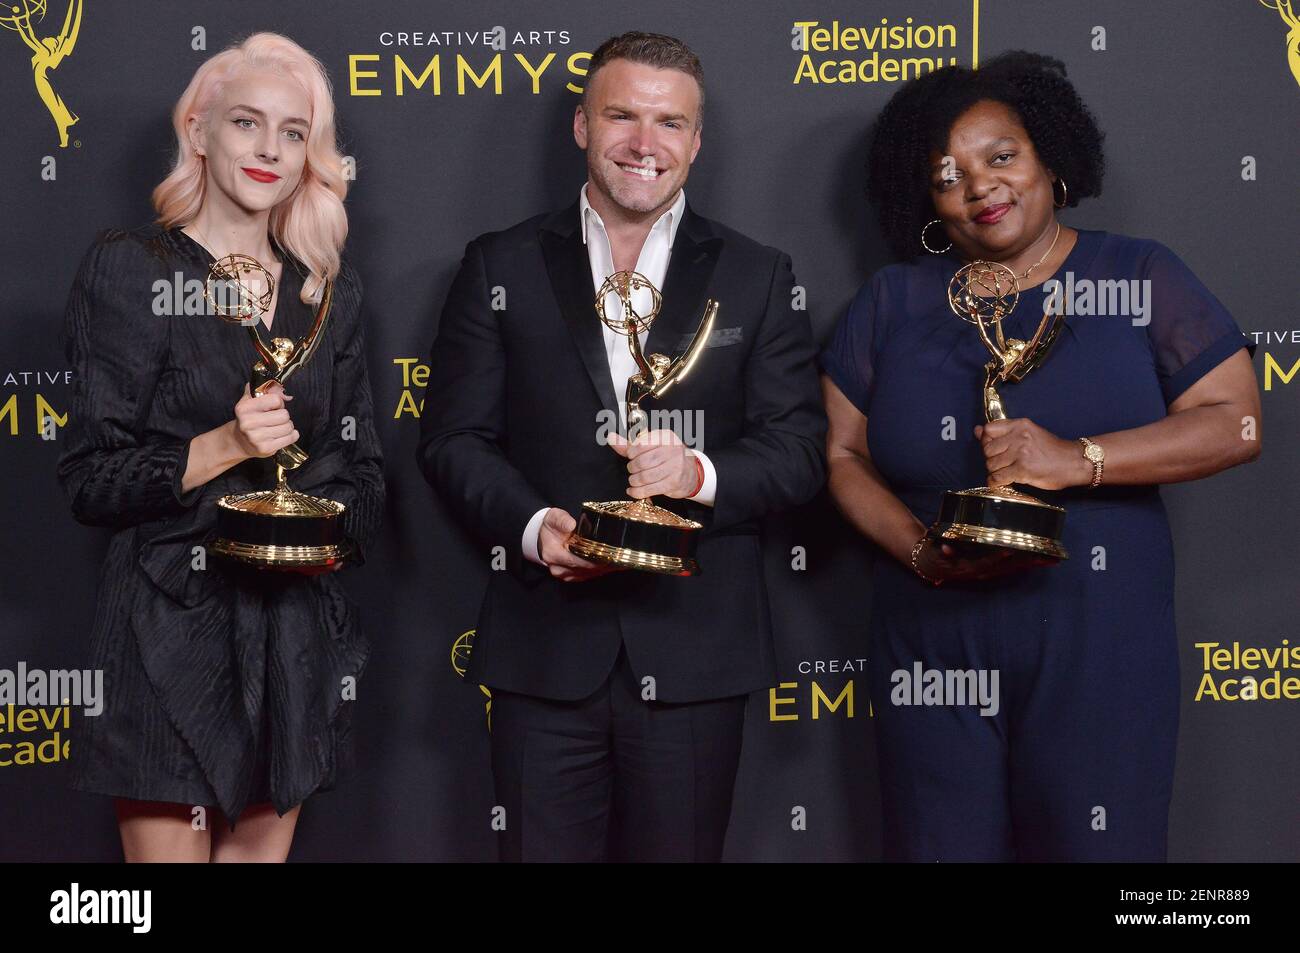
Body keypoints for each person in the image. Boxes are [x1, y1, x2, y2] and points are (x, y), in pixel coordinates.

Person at [820, 51, 1261, 862]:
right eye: (949, 176)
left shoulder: (1137, 273)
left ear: (1050, 159)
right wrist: (920, 551)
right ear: (925, 198)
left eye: (1001, 157)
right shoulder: (893, 300)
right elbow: (841, 453)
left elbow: (1236, 422)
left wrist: (1074, 458)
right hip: (932, 644)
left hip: (1099, 640)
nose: (980, 187)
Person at [418, 31, 826, 862]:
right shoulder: (500, 263)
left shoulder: (758, 273)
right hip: (544, 650)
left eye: (670, 122)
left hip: (695, 652)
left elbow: (799, 450)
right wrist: (536, 529)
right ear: (582, 125)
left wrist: (697, 472)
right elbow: (455, 438)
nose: (646, 142)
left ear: (697, 141)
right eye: (623, 116)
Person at [57, 33, 384, 862]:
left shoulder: (327, 291)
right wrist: (225, 443)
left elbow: (365, 475)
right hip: (166, 629)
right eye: (247, 122)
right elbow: (89, 480)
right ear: (198, 130)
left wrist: (314, 524)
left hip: (292, 636)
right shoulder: (133, 267)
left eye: (293, 132)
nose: (270, 148)